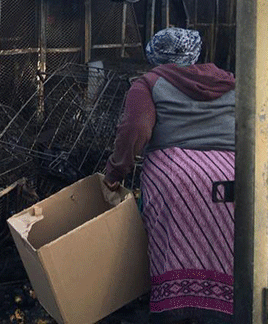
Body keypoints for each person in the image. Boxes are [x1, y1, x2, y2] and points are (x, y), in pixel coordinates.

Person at [104, 27, 235, 323]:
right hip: (230, 176)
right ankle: (223, 307)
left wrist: (114, 174)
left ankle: (176, 308)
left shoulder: (148, 84)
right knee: (226, 241)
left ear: (156, 57)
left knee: (173, 243)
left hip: (175, 179)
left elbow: (134, 131)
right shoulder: (232, 84)